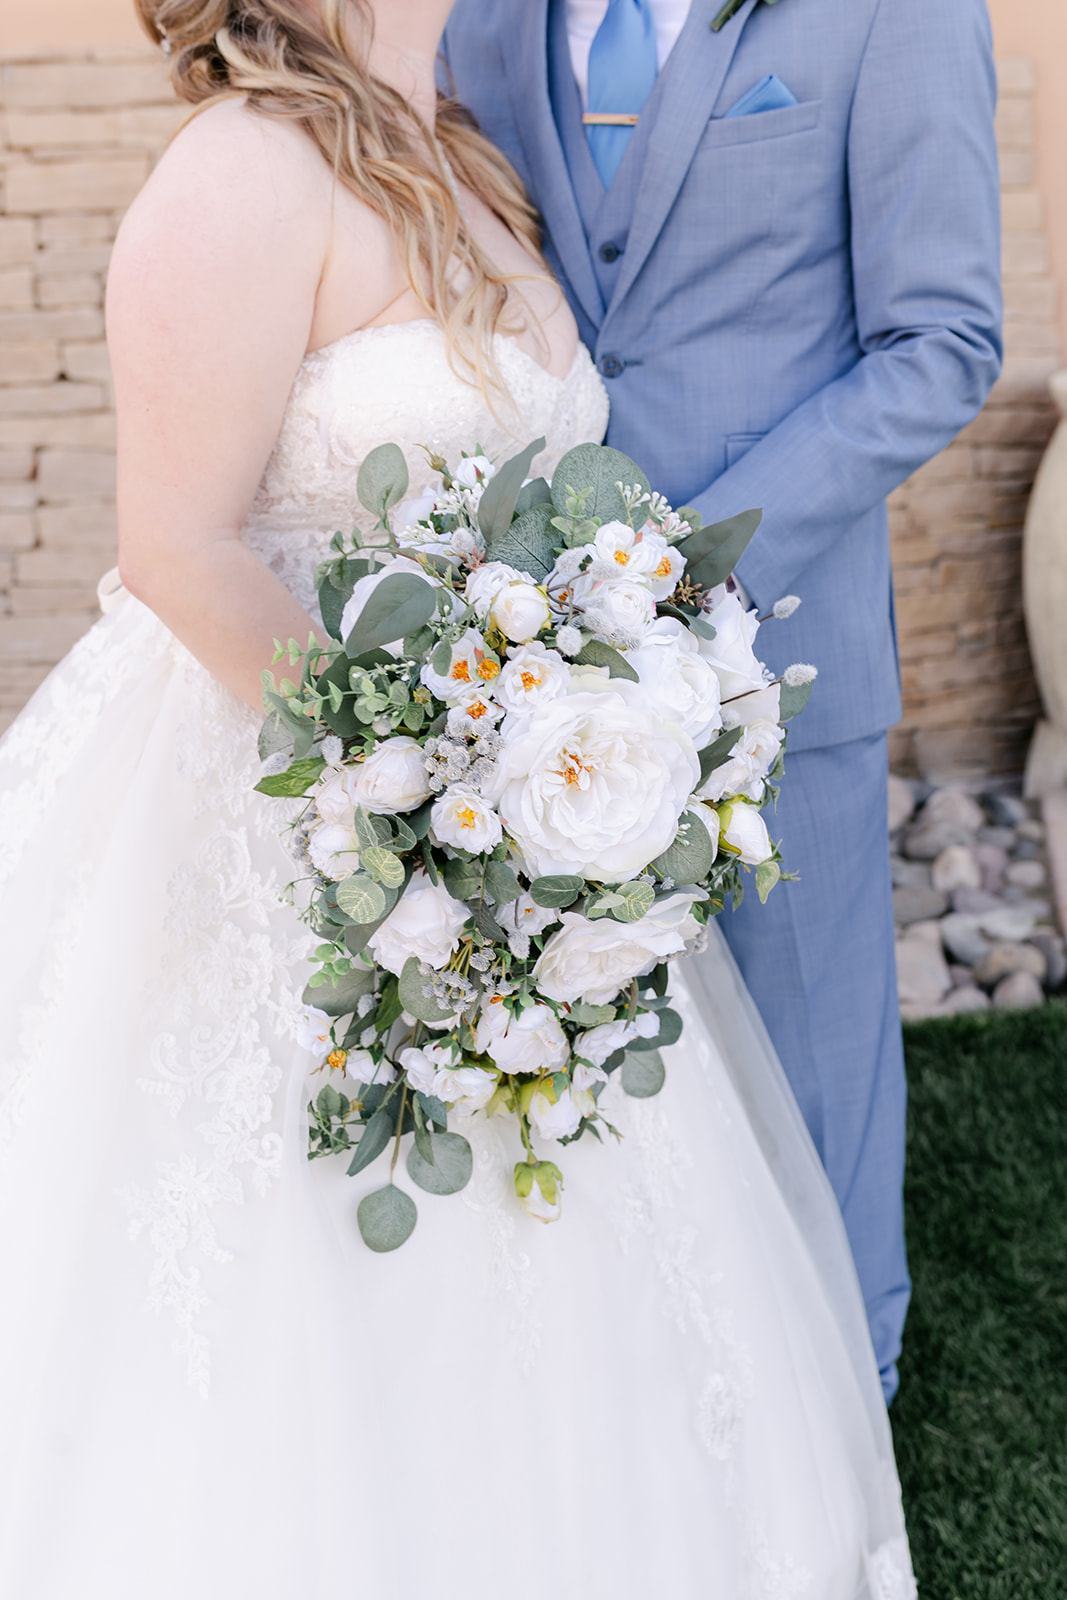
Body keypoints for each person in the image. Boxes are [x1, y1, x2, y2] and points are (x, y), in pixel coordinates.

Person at [0, 1, 915, 1595]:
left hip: (511, 807)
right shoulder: (241, 173)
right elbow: (181, 550)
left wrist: (573, 740)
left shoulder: (469, 146)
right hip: (317, 807)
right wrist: (419, 798)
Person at [444, 0, 1004, 1404]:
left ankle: (843, 1396)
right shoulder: (487, 24)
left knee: (816, 1076)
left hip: (784, 657)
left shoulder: (898, 17)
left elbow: (941, 340)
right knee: (574, 1053)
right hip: (534, 675)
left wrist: (689, 563)